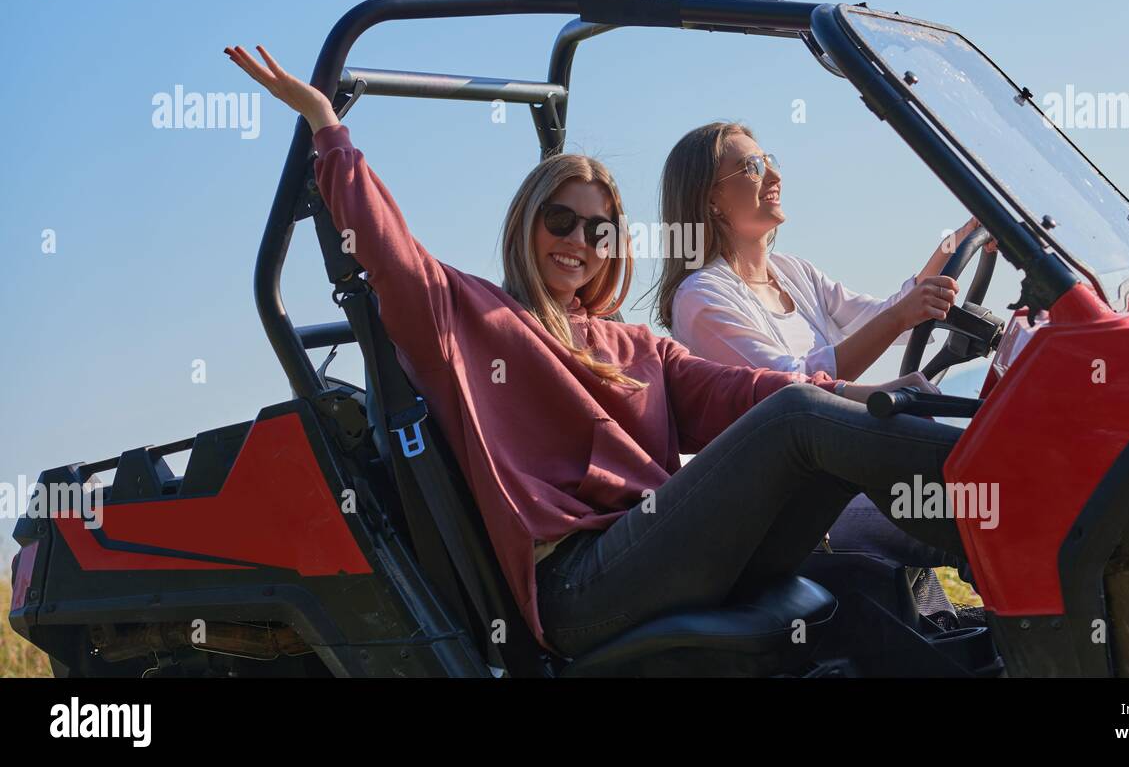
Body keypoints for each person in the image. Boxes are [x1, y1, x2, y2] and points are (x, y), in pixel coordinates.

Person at [225, 45, 966, 660]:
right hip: (583, 581)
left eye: (599, 230)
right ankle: (1012, 502)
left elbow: (743, 396)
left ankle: (991, 510)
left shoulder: (634, 345)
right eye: (562, 221)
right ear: (528, 224)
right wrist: (328, 129)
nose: (580, 242)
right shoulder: (472, 316)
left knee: (811, 424)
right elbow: (388, 257)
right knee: (805, 417)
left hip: (663, 549)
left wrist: (877, 398)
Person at [654, 122, 994, 620]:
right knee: (969, 511)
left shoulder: (795, 272)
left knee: (988, 482)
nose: (772, 174)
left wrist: (958, 241)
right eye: (751, 166)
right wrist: (883, 371)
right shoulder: (702, 297)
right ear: (711, 200)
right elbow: (792, 393)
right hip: (799, 505)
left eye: (768, 158)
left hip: (851, 469)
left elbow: (887, 318)